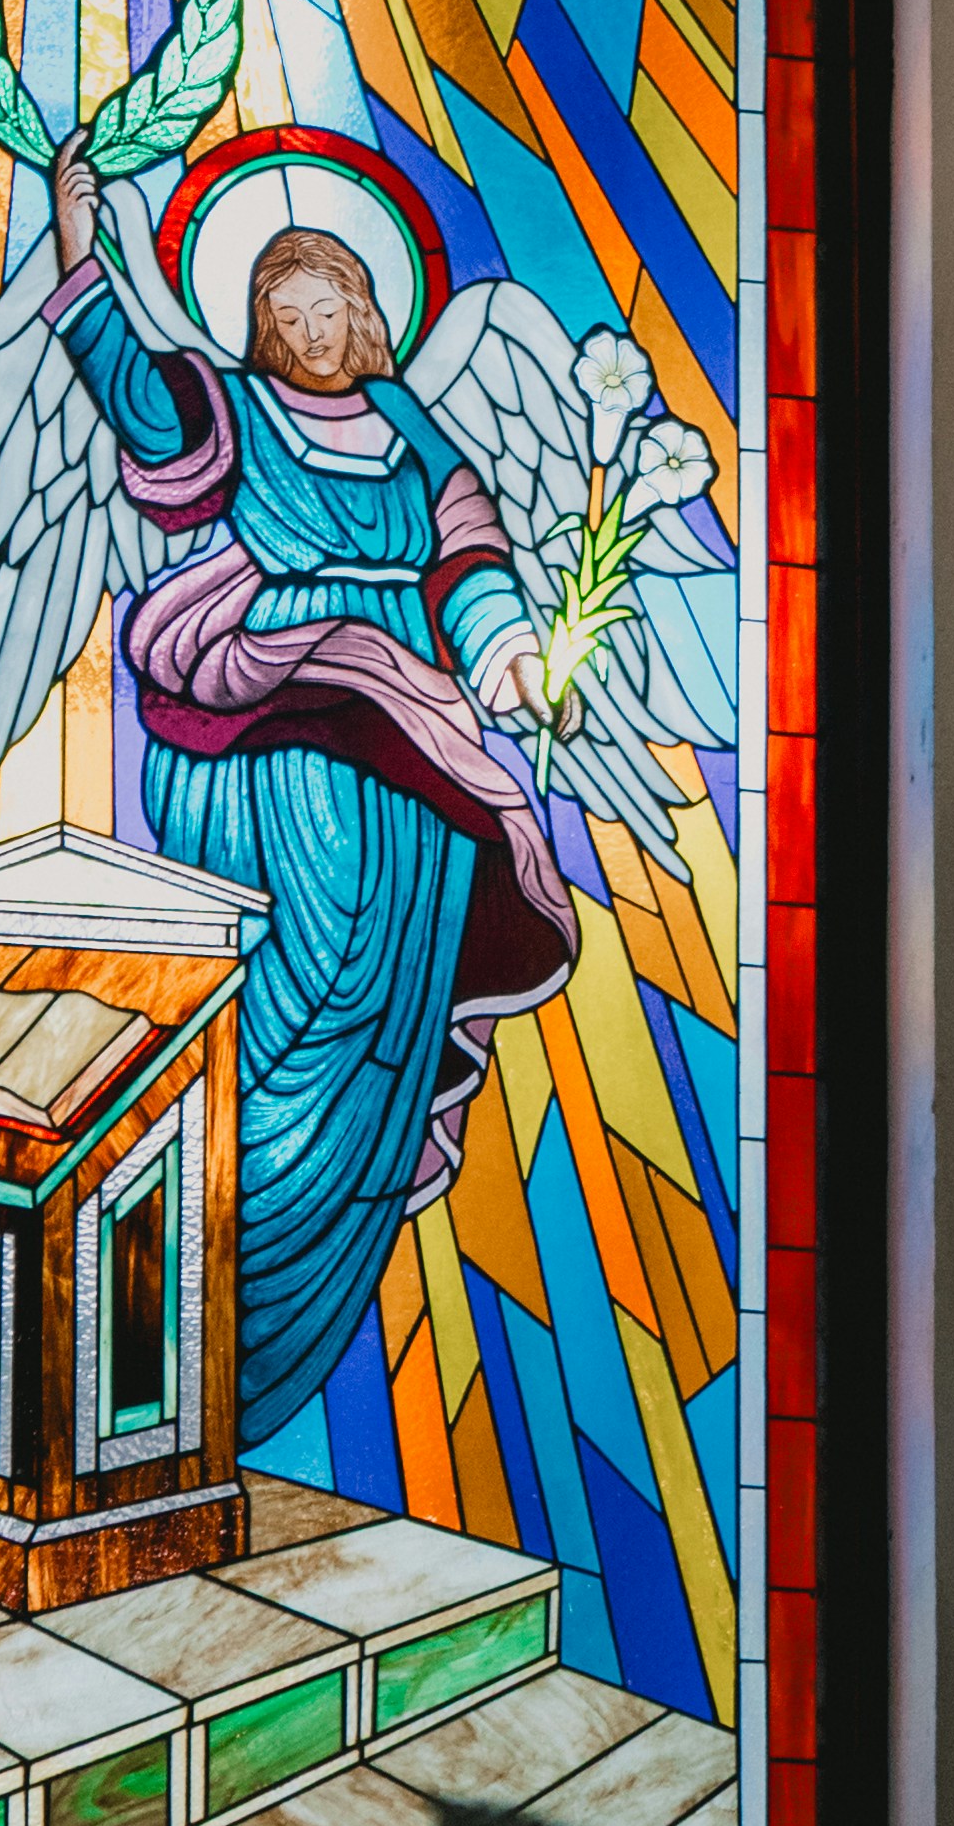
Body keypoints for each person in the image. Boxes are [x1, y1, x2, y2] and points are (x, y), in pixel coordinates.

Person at [47, 143, 579, 1443]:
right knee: (292, 994)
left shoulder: (414, 430)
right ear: (253, 326)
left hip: (411, 735)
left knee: (377, 1015)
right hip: (272, 716)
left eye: (330, 303)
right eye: (284, 311)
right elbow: (133, 392)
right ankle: (187, 1274)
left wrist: (508, 646)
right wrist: (79, 249)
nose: (310, 326)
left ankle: (254, 1313)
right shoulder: (231, 406)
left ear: (371, 311)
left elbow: (470, 557)